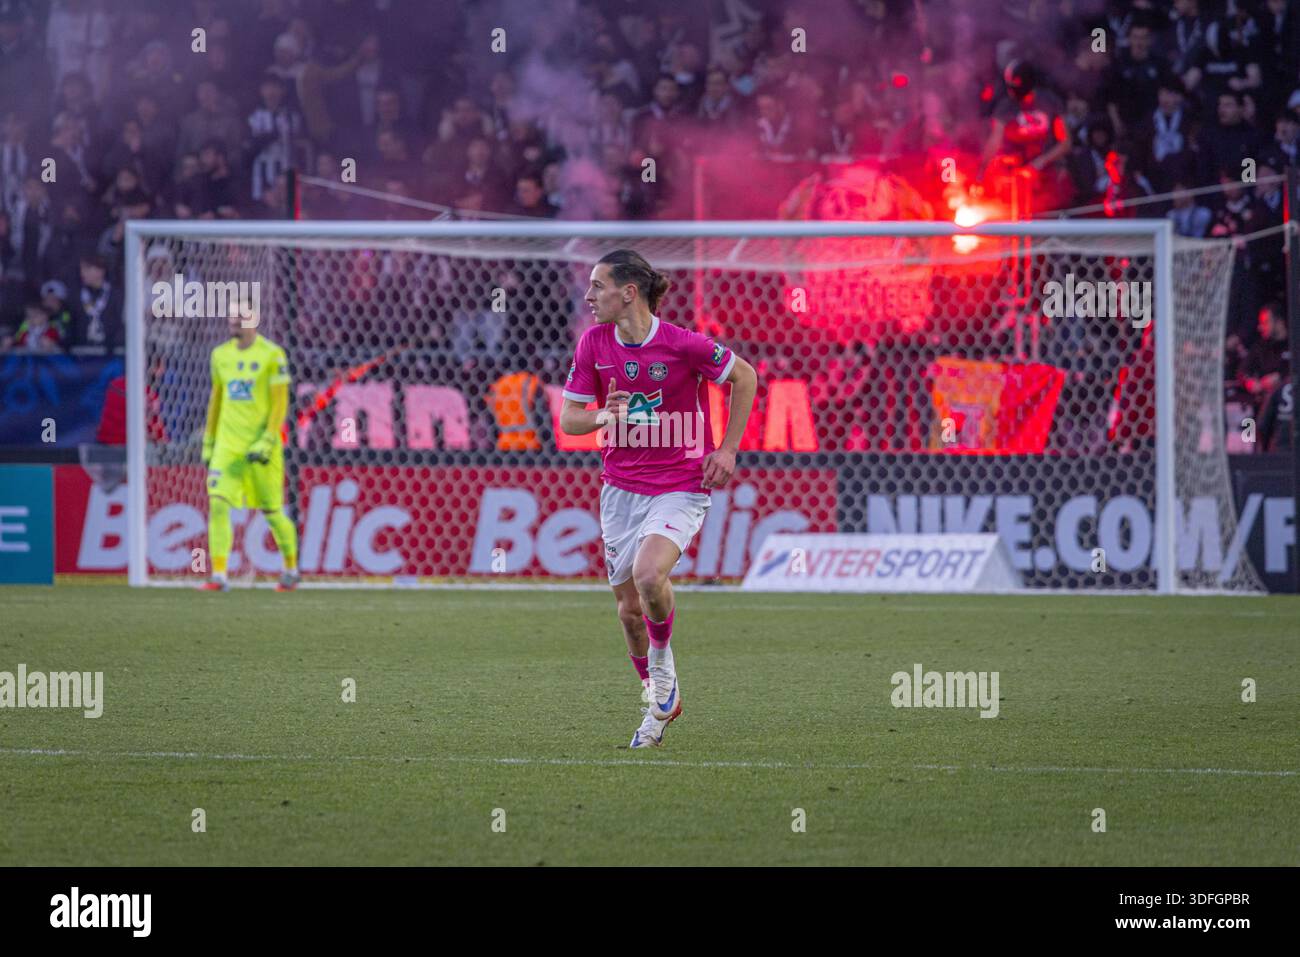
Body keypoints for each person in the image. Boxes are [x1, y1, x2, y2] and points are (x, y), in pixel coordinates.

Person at [559, 250, 757, 748]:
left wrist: (728, 449)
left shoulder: (682, 345)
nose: (589, 296)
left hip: (680, 485)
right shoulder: (594, 344)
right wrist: (606, 416)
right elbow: (569, 420)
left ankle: (664, 680)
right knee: (628, 611)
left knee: (650, 576)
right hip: (620, 491)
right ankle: (658, 698)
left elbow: (745, 377)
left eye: (598, 286)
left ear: (629, 292)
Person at [200, 299, 299, 591]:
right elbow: (216, 400)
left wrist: (269, 439)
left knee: (272, 511)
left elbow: (281, 403)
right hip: (227, 447)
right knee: (217, 504)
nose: (234, 320)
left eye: (241, 316)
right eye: (231, 316)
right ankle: (219, 576)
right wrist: (209, 441)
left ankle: (291, 569)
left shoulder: (272, 355)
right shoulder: (220, 355)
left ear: (254, 320)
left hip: (260, 448)